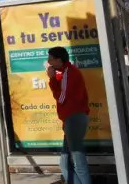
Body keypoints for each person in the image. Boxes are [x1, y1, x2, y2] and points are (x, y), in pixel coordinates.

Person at [46, 46, 91, 184]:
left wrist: (52, 79)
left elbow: (61, 98)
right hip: (72, 119)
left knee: (79, 162)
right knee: (64, 164)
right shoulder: (68, 72)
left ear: (59, 60)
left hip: (74, 119)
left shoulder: (68, 73)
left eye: (50, 59)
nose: (48, 62)